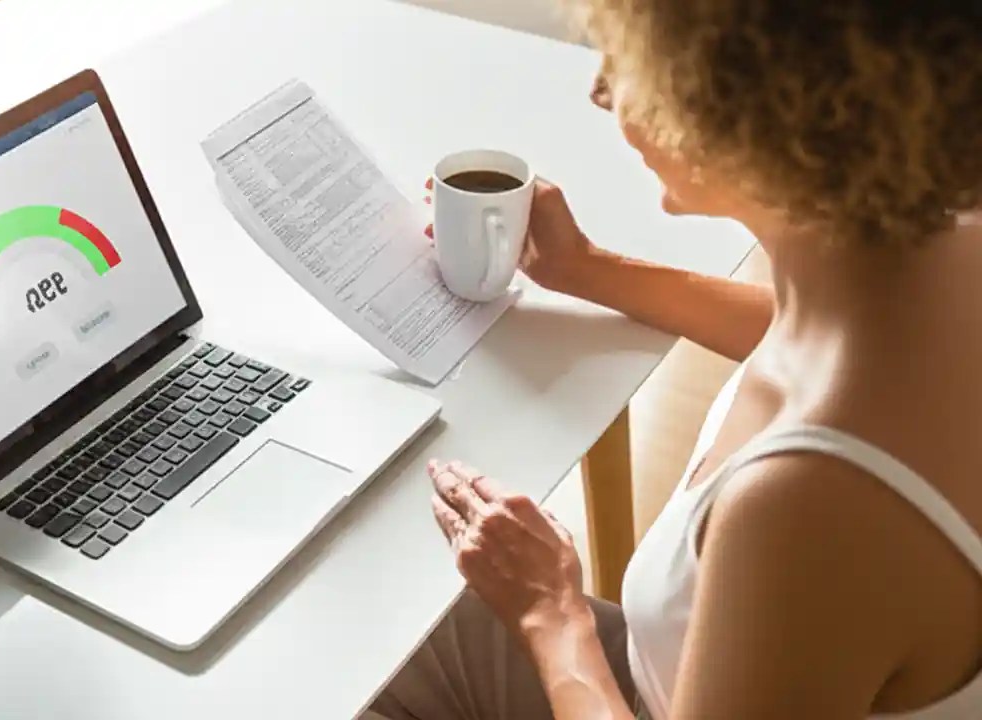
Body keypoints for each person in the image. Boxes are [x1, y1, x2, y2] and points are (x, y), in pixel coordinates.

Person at [367, 2, 982, 719]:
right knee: (365, 638)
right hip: (690, 670)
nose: (603, 92)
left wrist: (552, 614)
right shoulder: (946, 240)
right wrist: (587, 270)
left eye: (631, 64)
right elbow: (808, 334)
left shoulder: (803, 509)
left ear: (744, 104)